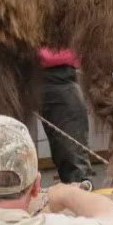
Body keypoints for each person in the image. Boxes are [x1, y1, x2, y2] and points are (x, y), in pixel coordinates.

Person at [38, 48, 99, 186]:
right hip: (7, 69)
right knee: (10, 155)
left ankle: (80, 190)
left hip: (60, 72)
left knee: (74, 160)